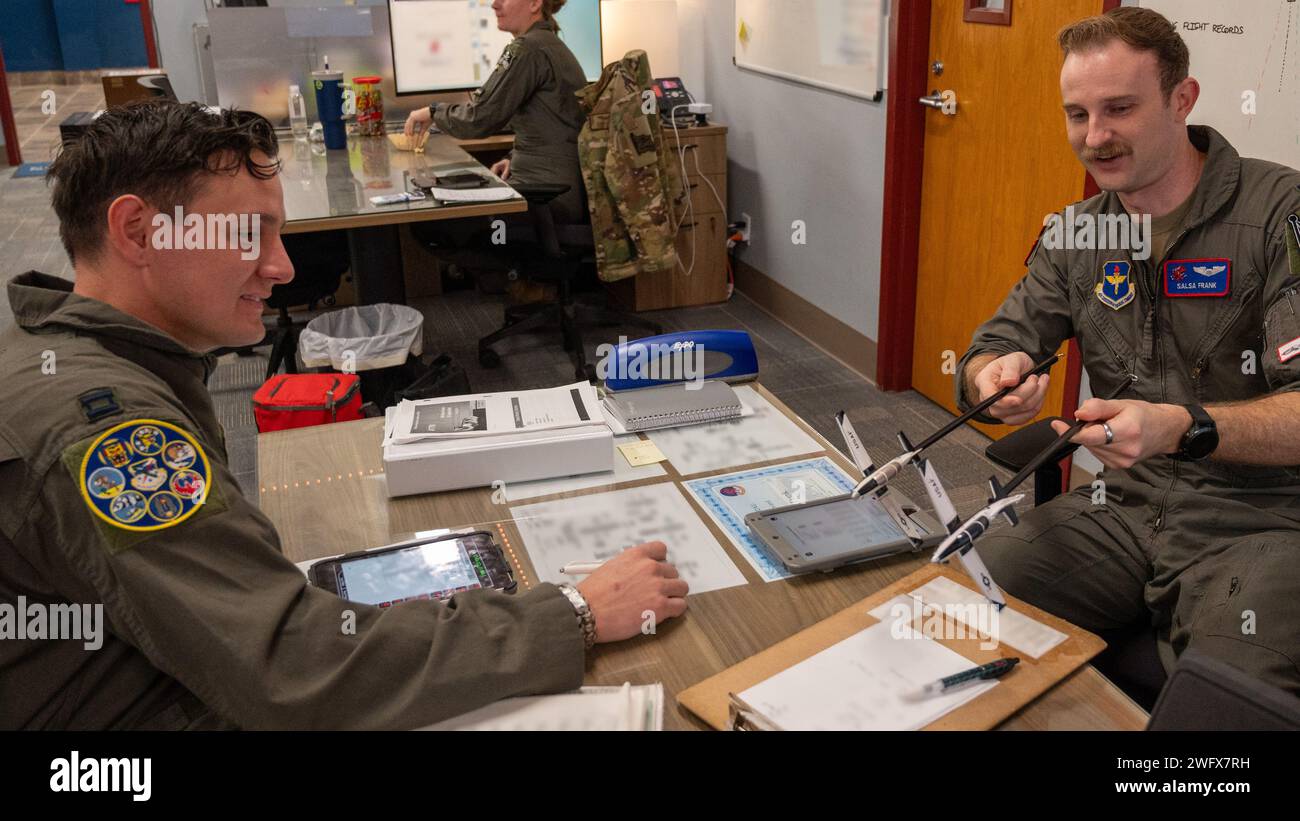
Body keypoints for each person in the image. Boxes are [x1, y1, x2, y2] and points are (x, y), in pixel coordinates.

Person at [0, 100, 688, 729]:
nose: (282, 267)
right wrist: (574, 615)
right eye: (249, 233)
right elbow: (296, 669)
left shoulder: (66, 353)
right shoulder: (105, 430)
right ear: (137, 232)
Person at [956, 8, 1300, 695]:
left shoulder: (1277, 211)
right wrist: (992, 377)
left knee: (1225, 698)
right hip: (1120, 504)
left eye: (1119, 108)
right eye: (1077, 114)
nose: (1096, 136)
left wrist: (1185, 427)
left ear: (1183, 99)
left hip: (1261, 518)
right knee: (969, 612)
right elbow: (990, 351)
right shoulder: (1077, 232)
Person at [405, 0, 588, 225]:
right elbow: (553, 126)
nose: (494, 4)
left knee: (434, 222)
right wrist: (515, 158)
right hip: (556, 193)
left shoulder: (527, 48)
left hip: (545, 201)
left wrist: (434, 112)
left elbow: (479, 119)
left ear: (534, 4)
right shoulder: (548, 44)